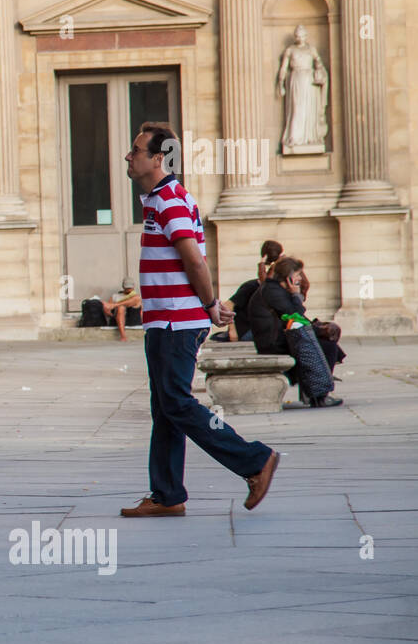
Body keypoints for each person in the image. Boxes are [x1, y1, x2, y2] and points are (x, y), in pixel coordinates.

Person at [120, 122, 280, 517]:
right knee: (165, 406)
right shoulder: (161, 198)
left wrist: (210, 304)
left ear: (158, 159)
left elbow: (193, 258)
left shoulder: (170, 199)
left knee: (175, 401)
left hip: (176, 321)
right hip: (165, 320)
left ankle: (253, 460)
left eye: (136, 150)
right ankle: (167, 494)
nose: (128, 156)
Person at [248, 256, 343, 407]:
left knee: (326, 341)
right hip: (273, 344)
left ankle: (313, 391)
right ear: (289, 276)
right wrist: (295, 294)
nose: (300, 277)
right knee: (328, 346)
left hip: (280, 338)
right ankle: (319, 396)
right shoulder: (272, 291)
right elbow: (296, 315)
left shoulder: (274, 288)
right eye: (298, 274)